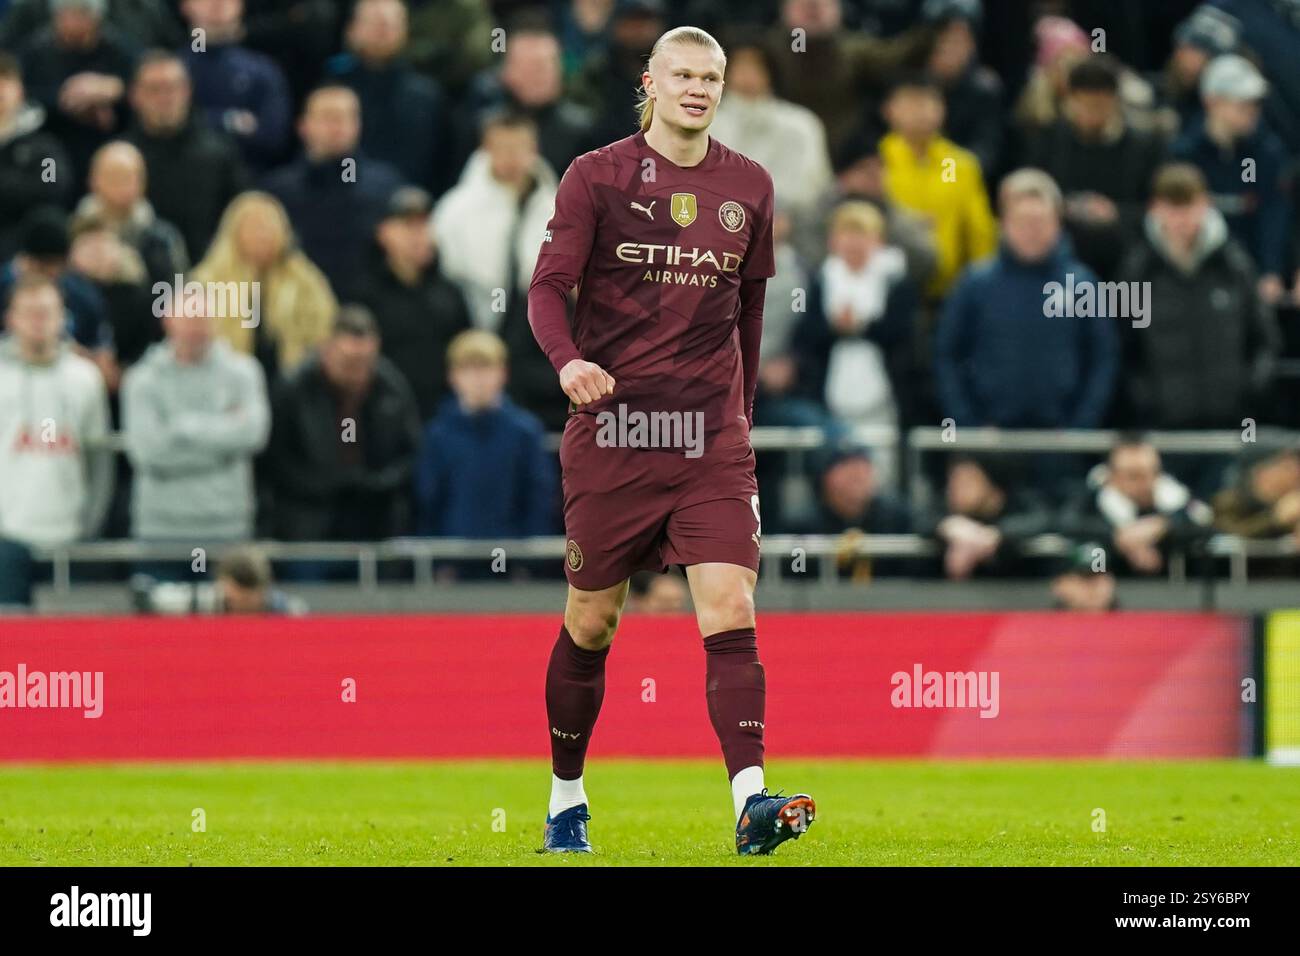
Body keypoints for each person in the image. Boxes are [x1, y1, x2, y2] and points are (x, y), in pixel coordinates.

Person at [527, 26, 815, 856]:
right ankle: (566, 797)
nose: (697, 87)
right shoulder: (596, 176)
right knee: (592, 624)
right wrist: (568, 360)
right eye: (682, 74)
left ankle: (751, 805)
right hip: (614, 435)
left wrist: (742, 412)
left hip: (709, 442)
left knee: (730, 606)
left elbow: (752, 312)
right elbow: (548, 288)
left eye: (711, 77)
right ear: (649, 83)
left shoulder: (750, 185)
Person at [935, 168, 1118, 430]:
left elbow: (1103, 357)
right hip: (991, 439)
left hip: (1061, 441)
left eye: (1040, 222)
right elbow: (948, 355)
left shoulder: (1081, 284)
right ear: (1004, 224)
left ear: (1057, 224)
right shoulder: (975, 283)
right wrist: (969, 424)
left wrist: (1080, 426)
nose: (1031, 231)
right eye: (1022, 222)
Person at [1115, 163, 1278, 434]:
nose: (1181, 219)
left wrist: (1249, 389)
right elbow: (1124, 347)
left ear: (1206, 204)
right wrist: (1146, 398)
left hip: (1231, 424)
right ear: (1155, 208)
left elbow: (1264, 339)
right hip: (1164, 428)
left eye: (1188, 206)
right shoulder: (1136, 272)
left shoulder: (1235, 266)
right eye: (1172, 207)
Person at [120, 285, 270, 548]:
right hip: (160, 528)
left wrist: (182, 428)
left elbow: (253, 434)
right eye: (188, 320)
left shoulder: (244, 373)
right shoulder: (141, 380)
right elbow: (147, 451)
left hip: (228, 526)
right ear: (168, 322)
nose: (196, 330)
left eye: (203, 320)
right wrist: (224, 446)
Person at [0, 274, 113, 604]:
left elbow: (100, 459)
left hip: (71, 535)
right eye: (30, 312)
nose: (39, 322)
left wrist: (91, 524)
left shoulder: (85, 378)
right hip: (7, 536)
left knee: (68, 646)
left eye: (47, 312)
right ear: (11, 318)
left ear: (63, 317)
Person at [266, 305, 421, 543]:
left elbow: (410, 454)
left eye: (366, 361)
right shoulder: (293, 390)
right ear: (326, 350)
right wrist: (324, 485)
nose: (358, 371)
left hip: (375, 523)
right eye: (349, 361)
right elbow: (275, 460)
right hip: (309, 523)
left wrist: (378, 483)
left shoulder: (392, 389)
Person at [1023, 55, 1166, 279]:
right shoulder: (1049, 139)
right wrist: (1065, 207)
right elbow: (1031, 194)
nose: (1091, 114)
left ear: (1114, 101)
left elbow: (1159, 207)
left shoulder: (1144, 147)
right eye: (1083, 104)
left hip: (1126, 255)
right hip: (1060, 254)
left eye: (1099, 105)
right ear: (1070, 101)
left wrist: (1116, 213)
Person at [1172, 54, 1294, 306]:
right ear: (1211, 102)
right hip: (1196, 275)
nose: (1251, 113)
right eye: (1242, 105)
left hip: (1254, 276)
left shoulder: (1267, 153)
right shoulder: (1183, 154)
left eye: (1254, 105)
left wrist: (1270, 271)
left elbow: (1273, 213)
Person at [260, 83, 406, 292]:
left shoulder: (386, 186)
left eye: (348, 116)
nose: (339, 125)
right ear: (303, 126)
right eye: (329, 116)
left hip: (370, 306)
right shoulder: (277, 191)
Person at [413, 329, 556, 541]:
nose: (478, 378)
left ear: (503, 373)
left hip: (513, 561)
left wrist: (527, 564)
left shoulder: (525, 432)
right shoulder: (438, 435)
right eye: (468, 369)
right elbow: (427, 503)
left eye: (486, 367)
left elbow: (540, 501)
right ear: (452, 376)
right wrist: (440, 564)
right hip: (454, 559)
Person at [345, 186, 470, 422]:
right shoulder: (364, 295)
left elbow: (466, 354)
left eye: (424, 225)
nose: (418, 235)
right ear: (383, 233)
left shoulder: (451, 293)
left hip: (443, 417)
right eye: (407, 226)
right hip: (381, 418)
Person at [189, 190, 336, 381]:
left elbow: (323, 337)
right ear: (234, 233)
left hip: (290, 385)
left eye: (268, 228)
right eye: (254, 228)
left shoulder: (306, 283)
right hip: (221, 385)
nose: (262, 236)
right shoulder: (207, 282)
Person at [878, 72, 998, 303]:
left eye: (929, 102)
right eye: (911, 103)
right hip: (888, 292)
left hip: (950, 294)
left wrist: (983, 290)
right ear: (889, 111)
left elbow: (979, 231)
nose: (921, 111)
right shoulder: (876, 161)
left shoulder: (956, 164)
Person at [125, 50, 247, 262]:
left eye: (173, 88)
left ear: (187, 92)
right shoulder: (121, 156)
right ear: (135, 95)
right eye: (154, 89)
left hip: (209, 278)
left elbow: (239, 218)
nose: (165, 98)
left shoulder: (219, 154)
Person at [1060, 435, 1214, 577]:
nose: (1146, 483)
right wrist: (1119, 537)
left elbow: (1208, 521)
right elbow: (1067, 525)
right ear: (1112, 477)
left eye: (1152, 473)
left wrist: (1163, 526)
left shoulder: (1177, 500)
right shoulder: (1090, 503)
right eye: (1134, 476)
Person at [178, 0, 293, 173]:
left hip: (251, 178)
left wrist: (204, 121)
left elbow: (273, 137)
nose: (217, 4)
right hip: (186, 174)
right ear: (185, 6)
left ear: (241, 5)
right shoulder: (173, 70)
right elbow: (171, 127)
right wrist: (230, 120)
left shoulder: (262, 70)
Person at [73, 140, 188, 285]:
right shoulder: (74, 230)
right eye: (113, 176)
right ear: (93, 180)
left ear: (143, 182)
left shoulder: (162, 238)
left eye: (129, 177)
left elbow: (178, 290)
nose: (121, 185)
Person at [0, 53, 74, 260]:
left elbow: (51, 185)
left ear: (20, 91)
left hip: (25, 252)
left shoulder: (44, 148)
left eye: (5, 80)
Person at [131, 543, 307, 614]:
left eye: (248, 599)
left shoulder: (286, 611)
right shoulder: (202, 600)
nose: (242, 605)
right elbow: (143, 591)